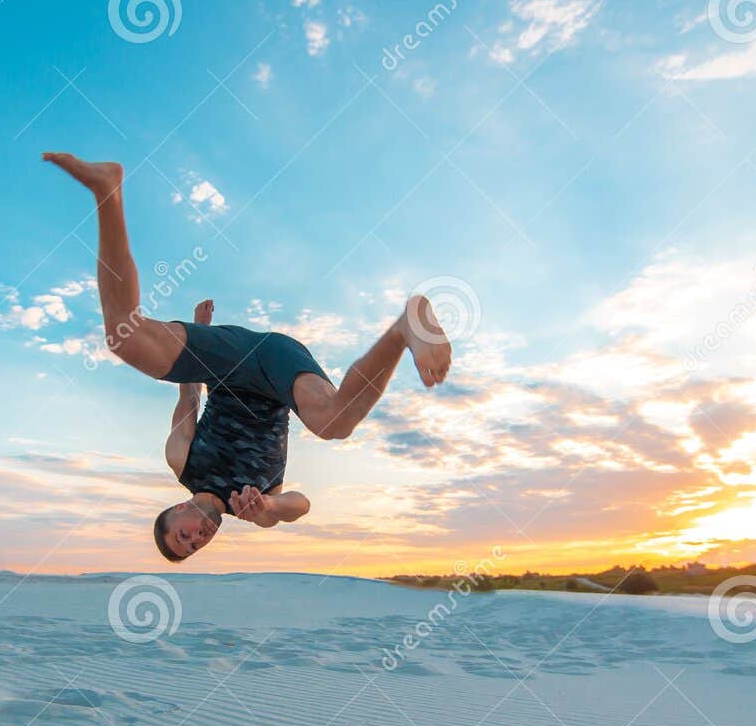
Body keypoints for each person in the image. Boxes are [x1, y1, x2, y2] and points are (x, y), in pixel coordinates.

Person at [44, 152, 453, 561]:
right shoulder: (255, 506)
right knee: (333, 424)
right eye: (193, 548)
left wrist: (198, 333)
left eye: (183, 536)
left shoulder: (180, 461)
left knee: (125, 339)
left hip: (227, 364)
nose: (196, 539)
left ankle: (107, 192)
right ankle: (405, 326)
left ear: (178, 510)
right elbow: (301, 504)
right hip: (279, 373)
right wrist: (270, 508)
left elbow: (189, 400)